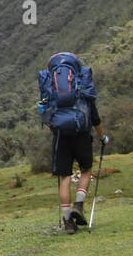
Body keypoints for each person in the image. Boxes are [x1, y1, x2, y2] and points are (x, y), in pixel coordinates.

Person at [38, 51, 110, 233]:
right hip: (82, 134)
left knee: (65, 178)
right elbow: (94, 117)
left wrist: (54, 126)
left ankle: (68, 221)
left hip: (61, 136)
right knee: (86, 171)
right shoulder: (82, 87)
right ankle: (78, 204)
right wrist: (102, 137)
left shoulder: (50, 87)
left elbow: (47, 119)